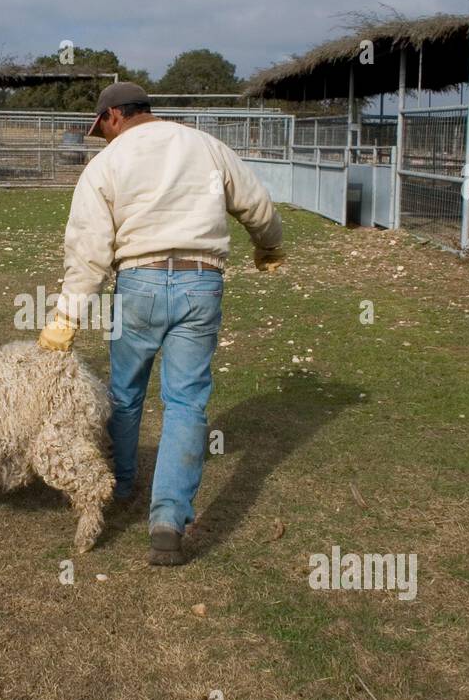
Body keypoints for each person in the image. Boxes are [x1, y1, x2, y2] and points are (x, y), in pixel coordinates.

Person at [39, 82, 285, 565]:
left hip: (139, 285)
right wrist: (268, 244)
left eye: (101, 128)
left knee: (125, 393)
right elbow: (256, 203)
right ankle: (168, 518)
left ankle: (123, 484)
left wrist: (67, 316)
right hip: (201, 281)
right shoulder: (205, 146)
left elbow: (88, 248)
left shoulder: (107, 165)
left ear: (112, 117)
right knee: (186, 402)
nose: (103, 137)